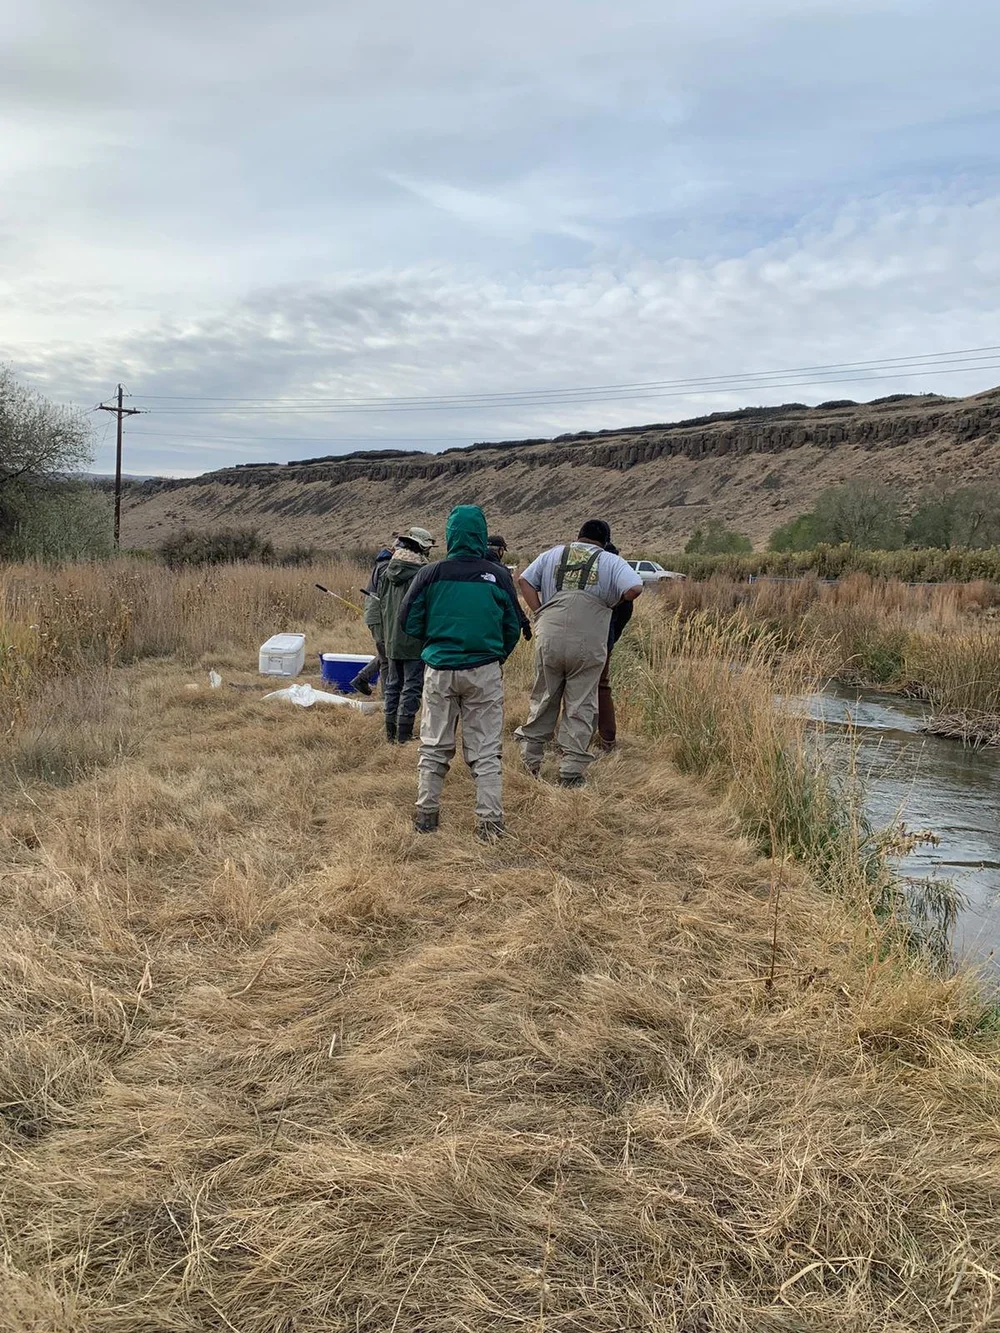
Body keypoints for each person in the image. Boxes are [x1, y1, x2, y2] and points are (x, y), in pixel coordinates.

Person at [400, 504, 522, 840]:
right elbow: (512, 625)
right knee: (485, 750)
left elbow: (407, 621)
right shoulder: (497, 575)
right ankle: (490, 824)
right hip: (484, 671)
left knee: (434, 744)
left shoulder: (431, 573)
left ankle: (426, 815)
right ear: (481, 534)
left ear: (451, 534)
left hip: (440, 669)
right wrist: (496, 657)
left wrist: (434, 643)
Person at [514, 519, 642, 787]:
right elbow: (634, 588)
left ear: (579, 537)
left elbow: (523, 579)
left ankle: (531, 761)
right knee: (580, 703)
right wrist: (611, 602)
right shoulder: (610, 561)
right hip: (587, 642)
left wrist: (540, 612)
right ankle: (571, 771)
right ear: (605, 541)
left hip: (549, 637)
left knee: (544, 698)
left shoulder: (552, 554)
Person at [377, 526, 435, 744]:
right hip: (414, 638)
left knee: (393, 685)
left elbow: (381, 604)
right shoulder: (422, 572)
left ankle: (390, 735)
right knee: (412, 686)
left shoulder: (386, 571)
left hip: (392, 637)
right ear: (420, 547)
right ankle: (404, 735)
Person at [595, 541, 634, 751]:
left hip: (583, 639)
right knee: (602, 686)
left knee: (574, 687)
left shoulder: (592, 578)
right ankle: (608, 740)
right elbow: (625, 616)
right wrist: (611, 640)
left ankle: (572, 740)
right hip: (605, 641)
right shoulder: (620, 582)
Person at [350, 542, 394, 695]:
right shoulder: (386, 567)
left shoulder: (382, 564)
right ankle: (387, 697)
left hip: (377, 615)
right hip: (379, 617)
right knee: (386, 657)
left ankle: (363, 678)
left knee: (387, 652)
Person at [487, 534, 532, 641]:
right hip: (493, 628)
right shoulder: (501, 571)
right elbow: (512, 599)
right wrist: (524, 623)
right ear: (500, 551)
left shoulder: (470, 566)